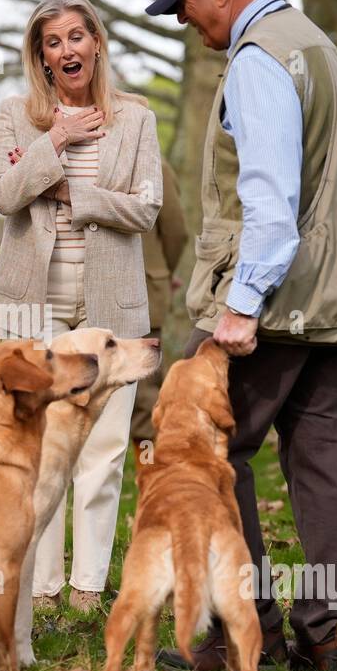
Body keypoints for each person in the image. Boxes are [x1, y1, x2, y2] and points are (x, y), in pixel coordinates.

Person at [146, 0, 337, 671]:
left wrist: (240, 305)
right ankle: (327, 632)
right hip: (333, 296)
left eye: (187, 8)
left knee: (207, 451)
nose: (188, 24)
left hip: (275, 301)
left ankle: (244, 625)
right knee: (319, 462)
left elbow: (272, 200)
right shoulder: (316, 43)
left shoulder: (258, 61)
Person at [0, 0, 162, 614]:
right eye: (53, 42)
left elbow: (145, 207)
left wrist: (74, 194)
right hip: (32, 310)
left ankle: (88, 586)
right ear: (41, 55)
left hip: (110, 307)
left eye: (76, 38)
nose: (67, 51)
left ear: (96, 43)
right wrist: (54, 138)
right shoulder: (16, 115)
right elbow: (5, 195)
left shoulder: (135, 118)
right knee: (32, 450)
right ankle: (39, 583)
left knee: (104, 449)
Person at [129, 158, 189, 461]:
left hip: (143, 294)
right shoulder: (155, 166)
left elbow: (176, 232)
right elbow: (176, 231)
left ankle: (154, 481)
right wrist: (162, 271)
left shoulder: (153, 166)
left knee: (144, 395)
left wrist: (160, 272)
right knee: (144, 392)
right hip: (144, 290)